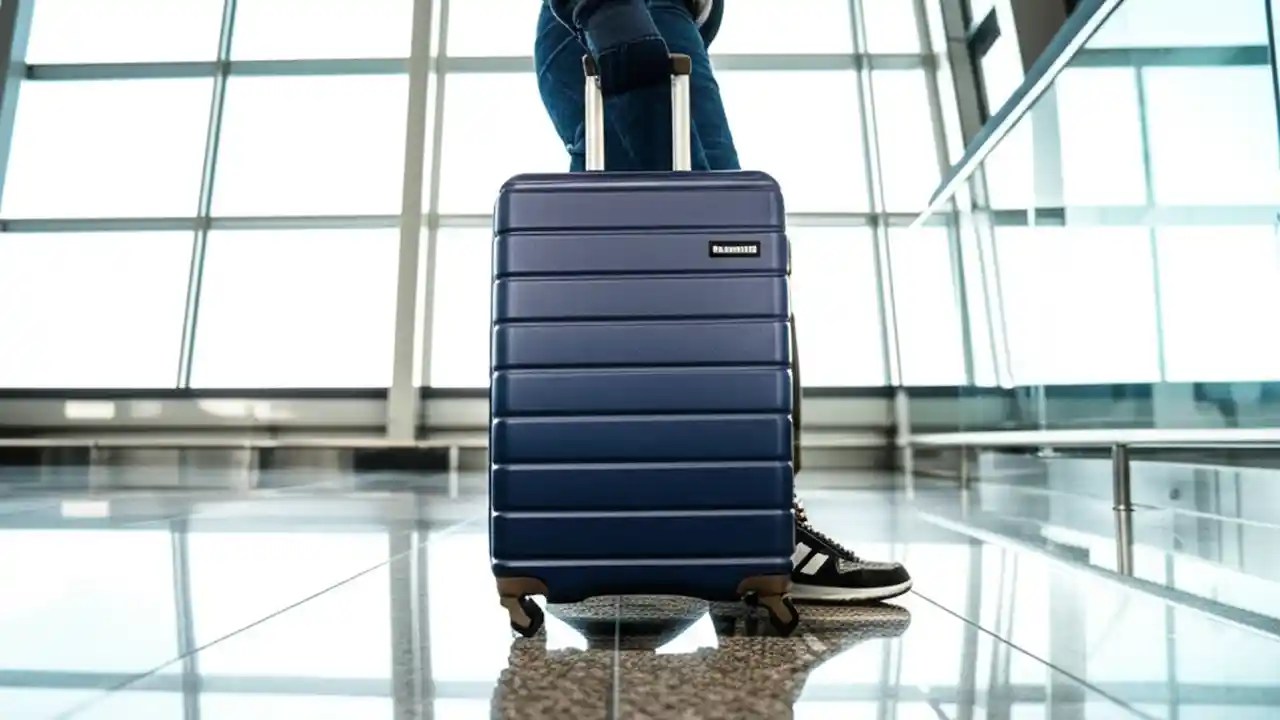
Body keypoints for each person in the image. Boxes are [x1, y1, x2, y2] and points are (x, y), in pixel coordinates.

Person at [532, 0, 913, 603]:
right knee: (723, 281)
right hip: (629, 15)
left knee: (685, 281)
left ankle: (707, 523)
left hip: (637, 19)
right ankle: (757, 531)